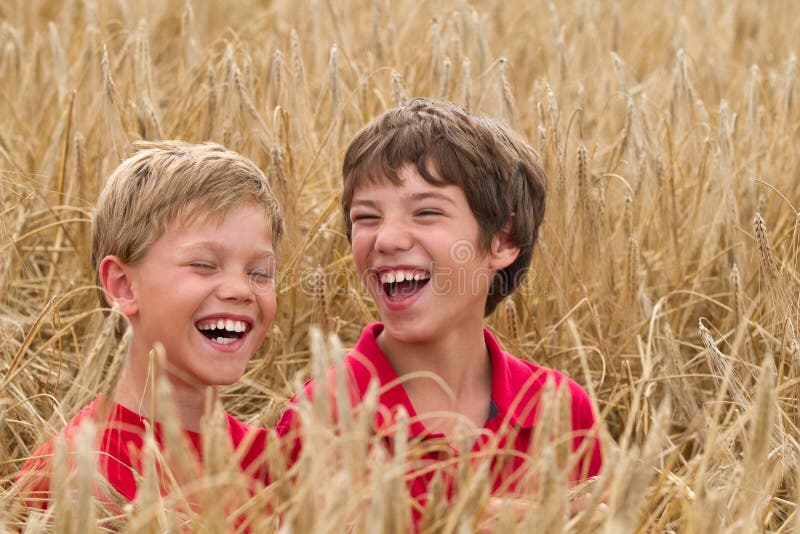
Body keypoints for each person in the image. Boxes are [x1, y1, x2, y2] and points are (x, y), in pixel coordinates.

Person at [276, 98, 602, 519]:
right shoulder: (323, 415)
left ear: (502, 240)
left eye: (426, 212)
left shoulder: (560, 409)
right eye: (367, 217)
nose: (387, 239)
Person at [16, 141, 283, 509]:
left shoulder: (274, 468)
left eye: (259, 272)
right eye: (204, 265)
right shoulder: (71, 474)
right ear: (123, 286)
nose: (241, 290)